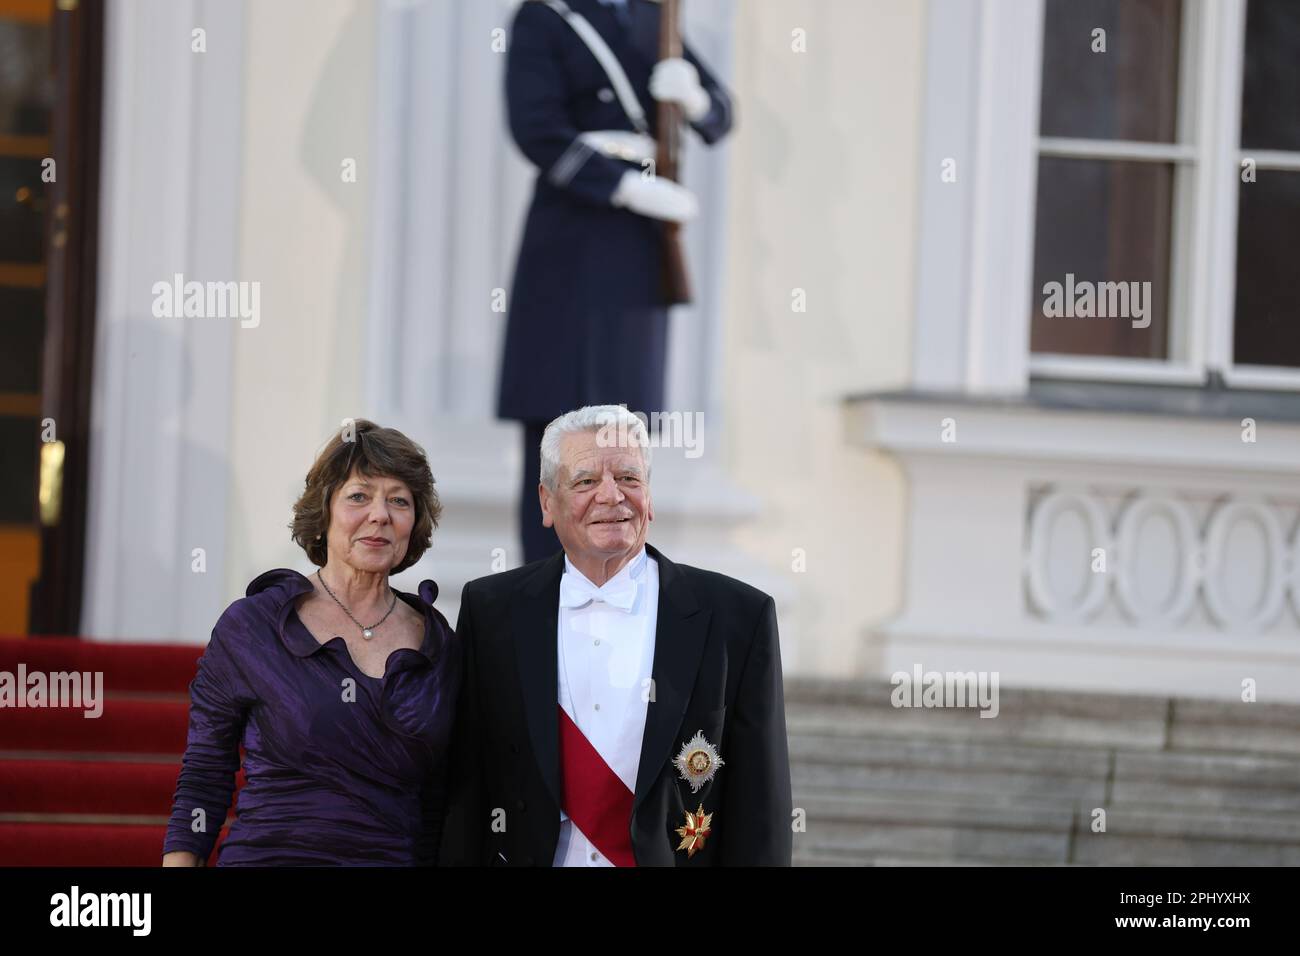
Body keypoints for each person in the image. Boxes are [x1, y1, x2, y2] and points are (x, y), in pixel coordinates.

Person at [441, 405, 791, 866]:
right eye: (585, 481)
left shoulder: (737, 618)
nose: (611, 496)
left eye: (628, 478)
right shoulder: (492, 611)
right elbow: (467, 788)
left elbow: (761, 812)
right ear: (547, 502)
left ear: (650, 495)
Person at [498, 0, 734, 562]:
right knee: (558, 417)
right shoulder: (546, 16)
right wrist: (623, 187)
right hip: (573, 236)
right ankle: (546, 588)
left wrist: (696, 97)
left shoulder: (654, 17)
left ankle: (616, 579)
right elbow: (536, 130)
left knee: (624, 423)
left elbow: (721, 115)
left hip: (639, 246)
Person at [161, 420, 459, 865]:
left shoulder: (438, 642)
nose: (380, 514)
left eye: (399, 500)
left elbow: (440, 800)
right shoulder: (254, 627)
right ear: (325, 512)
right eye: (359, 496)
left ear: (413, 523)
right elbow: (206, 774)